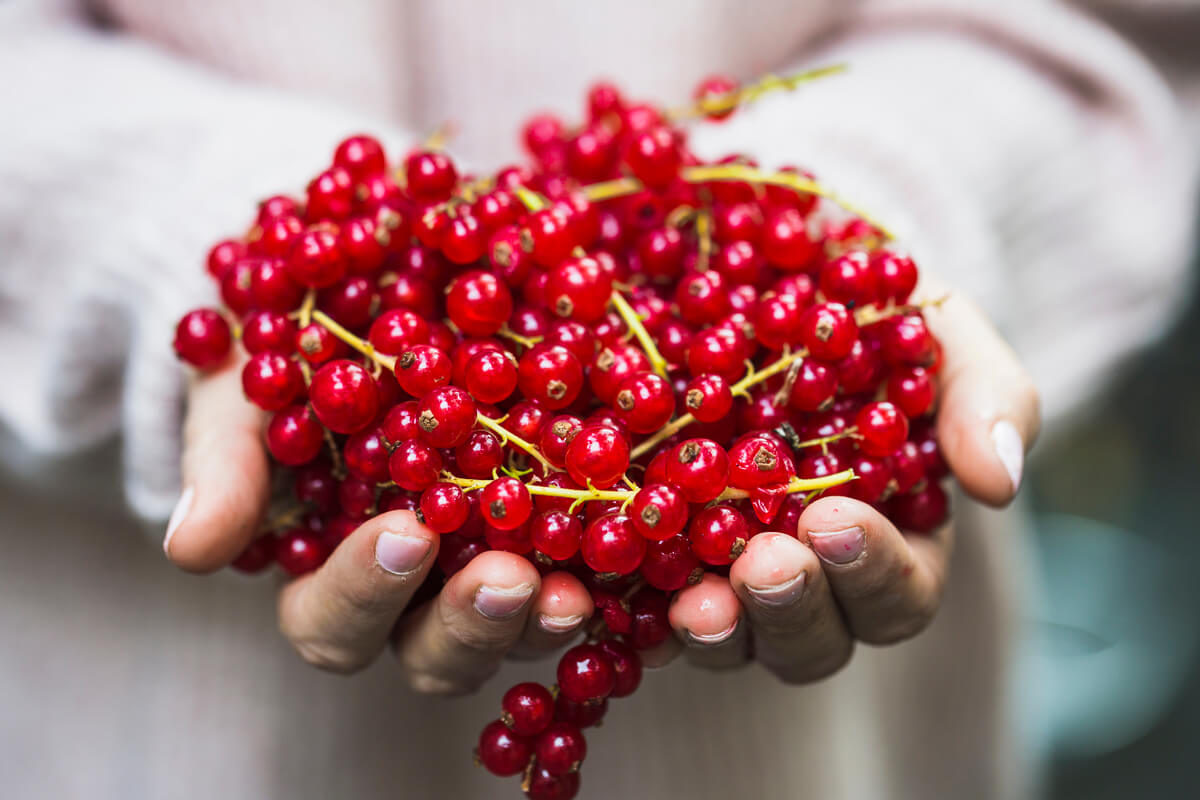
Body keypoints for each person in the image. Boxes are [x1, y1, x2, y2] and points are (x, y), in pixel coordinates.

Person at [0, 1, 1195, 798]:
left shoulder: (761, 359)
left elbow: (1120, 32)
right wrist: (220, 239)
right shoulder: (346, 340)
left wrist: (863, 198)